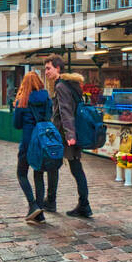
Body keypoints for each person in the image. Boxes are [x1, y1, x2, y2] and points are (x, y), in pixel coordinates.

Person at [44, 55, 92, 218]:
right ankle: (83, 204)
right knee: (74, 168)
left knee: (57, 166)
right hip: (71, 132)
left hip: (64, 135)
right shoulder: (70, 84)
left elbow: (65, 112)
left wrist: (70, 136)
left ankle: (53, 202)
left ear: (58, 68)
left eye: (48, 68)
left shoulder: (61, 86)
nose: (46, 72)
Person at [13, 70, 56, 223]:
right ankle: (40, 213)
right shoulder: (47, 98)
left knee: (22, 173)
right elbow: (48, 117)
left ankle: (32, 205)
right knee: (39, 174)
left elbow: (16, 124)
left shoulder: (22, 100)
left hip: (27, 141)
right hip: (43, 141)